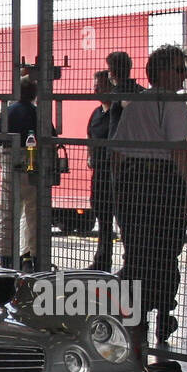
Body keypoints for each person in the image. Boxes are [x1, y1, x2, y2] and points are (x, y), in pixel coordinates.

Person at [112, 44, 187, 348]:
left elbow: (118, 152)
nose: (183, 76)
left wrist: (118, 188)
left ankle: (135, 315)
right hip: (162, 183)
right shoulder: (172, 103)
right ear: (161, 71)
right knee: (166, 250)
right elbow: (178, 150)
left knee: (137, 251)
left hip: (132, 182)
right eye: (178, 69)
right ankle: (164, 312)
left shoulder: (136, 103)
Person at [0, 77, 42, 271]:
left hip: (10, 162)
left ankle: (7, 258)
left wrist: (4, 166)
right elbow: (50, 142)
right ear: (35, 94)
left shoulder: (6, 113)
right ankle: (33, 257)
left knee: (8, 214)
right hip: (32, 160)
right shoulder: (39, 114)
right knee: (33, 213)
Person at [87, 70, 117, 271]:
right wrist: (90, 157)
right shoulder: (97, 114)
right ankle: (102, 261)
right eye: (95, 85)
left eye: (100, 85)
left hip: (117, 173)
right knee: (103, 218)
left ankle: (130, 262)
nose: (95, 89)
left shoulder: (118, 111)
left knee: (123, 220)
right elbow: (90, 137)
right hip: (99, 173)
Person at [106, 51, 143, 137]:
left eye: (109, 69)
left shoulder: (117, 93)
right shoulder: (141, 90)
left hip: (118, 146)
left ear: (112, 71)